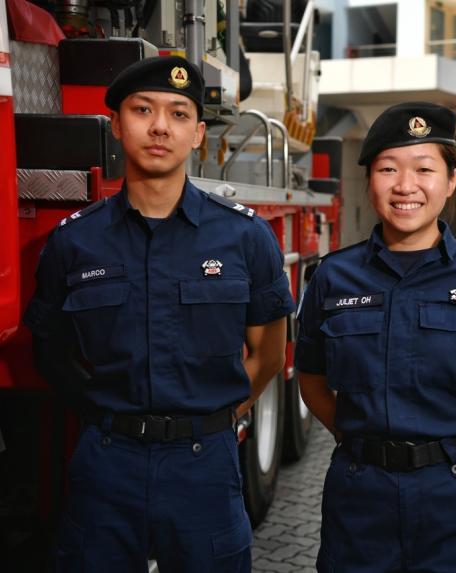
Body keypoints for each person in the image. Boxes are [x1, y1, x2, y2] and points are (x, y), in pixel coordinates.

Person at [24, 56, 294, 572]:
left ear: (197, 134)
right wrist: (107, 416)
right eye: (143, 110)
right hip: (106, 465)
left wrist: (216, 420)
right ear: (117, 125)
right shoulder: (74, 241)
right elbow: (50, 351)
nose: (159, 127)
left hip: (205, 467)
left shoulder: (245, 238)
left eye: (178, 113)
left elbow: (269, 354)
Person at [295, 102, 456, 572]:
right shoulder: (333, 276)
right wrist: (364, 446)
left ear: (451, 181)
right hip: (360, 501)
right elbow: (312, 383)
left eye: (424, 168)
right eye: (388, 169)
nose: (405, 186)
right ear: (370, 181)